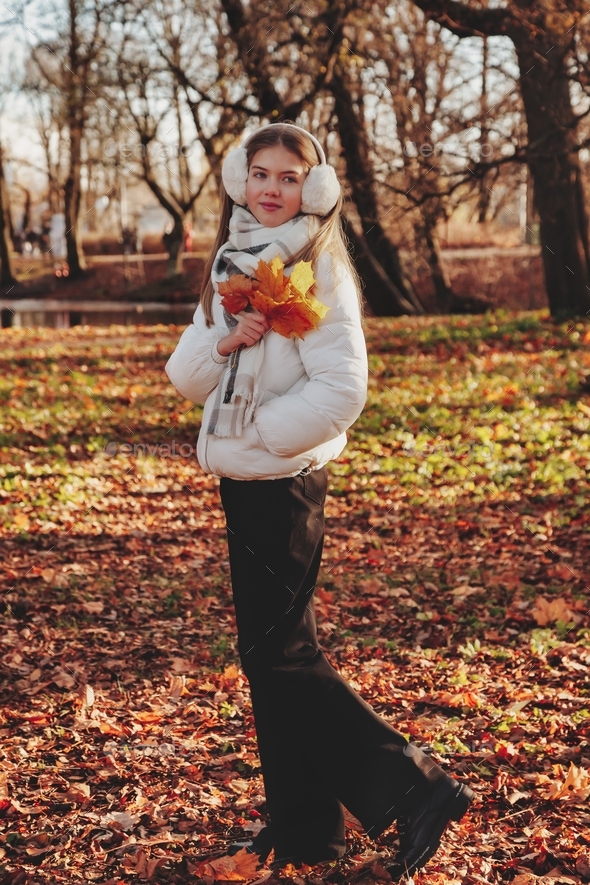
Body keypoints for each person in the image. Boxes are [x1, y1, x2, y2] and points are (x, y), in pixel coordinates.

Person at [164, 122, 474, 878]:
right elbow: (186, 375)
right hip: (243, 478)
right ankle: (307, 830)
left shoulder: (316, 266)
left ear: (316, 188)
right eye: (261, 173)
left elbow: (343, 388)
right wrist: (228, 340)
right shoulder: (233, 258)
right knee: (267, 657)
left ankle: (414, 784)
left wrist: (264, 434)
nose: (273, 188)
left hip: (285, 478)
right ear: (242, 180)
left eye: (290, 176)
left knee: (283, 654)